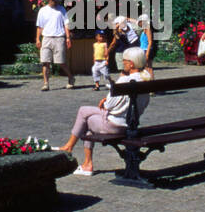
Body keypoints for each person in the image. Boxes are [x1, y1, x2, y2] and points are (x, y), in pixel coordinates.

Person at [59, 47, 151, 176]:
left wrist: (106, 100)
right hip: (131, 125)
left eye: (124, 61)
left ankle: (73, 151)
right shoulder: (146, 80)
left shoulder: (125, 80)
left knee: (86, 117)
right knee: (85, 113)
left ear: (131, 64)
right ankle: (85, 163)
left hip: (114, 125)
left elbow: (109, 105)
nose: (122, 63)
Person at [35, 0, 74, 90]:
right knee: (45, 62)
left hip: (59, 38)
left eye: (57, 0)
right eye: (55, 0)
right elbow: (40, 26)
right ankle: (46, 84)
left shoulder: (61, 9)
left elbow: (66, 24)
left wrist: (68, 38)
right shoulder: (42, 10)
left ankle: (71, 78)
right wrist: (37, 39)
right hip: (46, 38)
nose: (56, 2)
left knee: (61, 62)